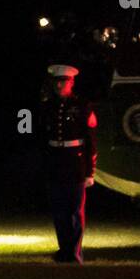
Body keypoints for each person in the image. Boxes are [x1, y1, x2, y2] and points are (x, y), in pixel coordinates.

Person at [38, 64, 95, 263]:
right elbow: (38, 134)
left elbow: (90, 141)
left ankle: (75, 251)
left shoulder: (82, 106)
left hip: (75, 162)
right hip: (55, 161)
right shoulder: (47, 106)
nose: (60, 85)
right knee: (59, 210)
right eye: (57, 81)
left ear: (71, 82)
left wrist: (90, 172)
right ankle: (64, 250)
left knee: (75, 210)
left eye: (64, 81)